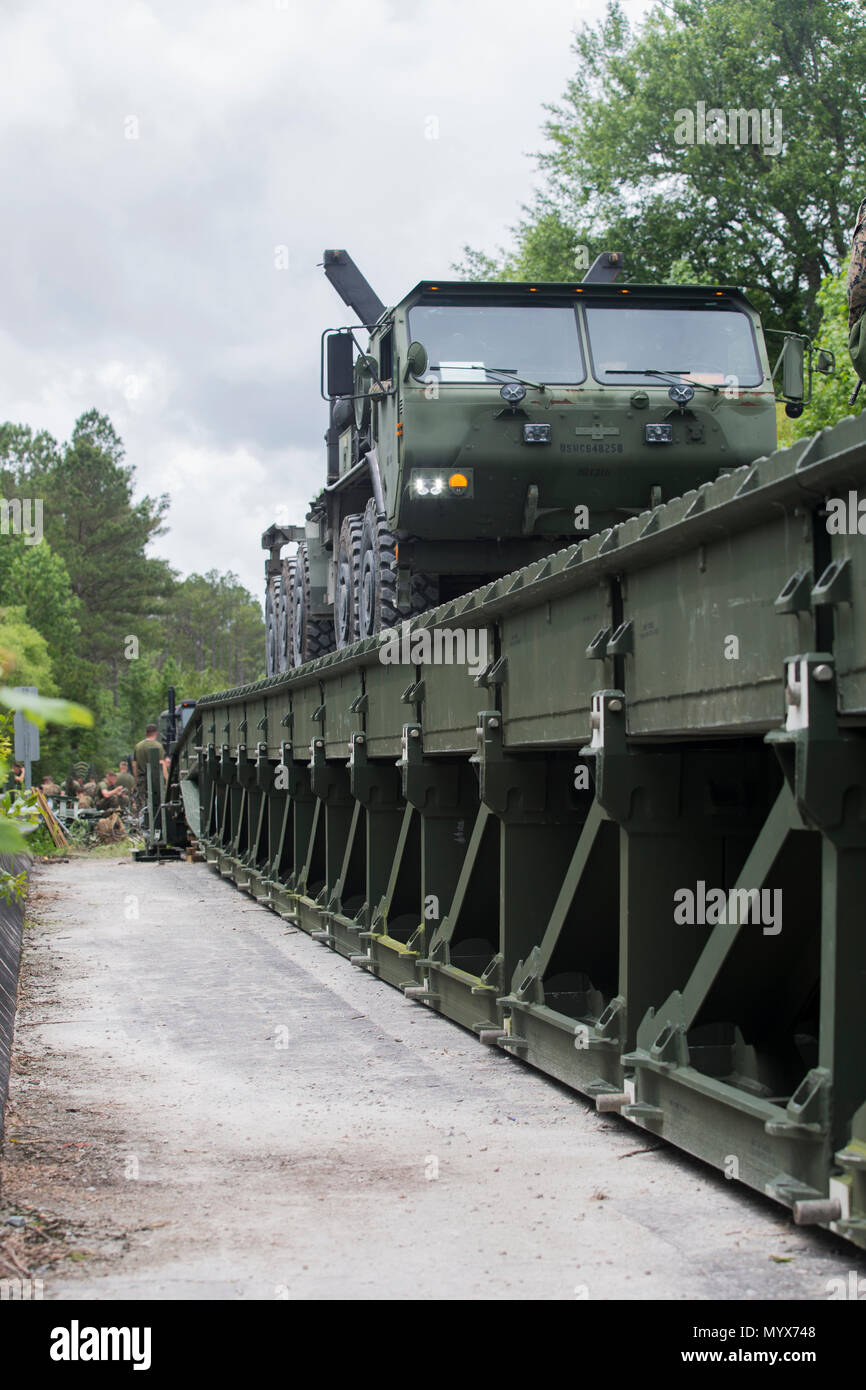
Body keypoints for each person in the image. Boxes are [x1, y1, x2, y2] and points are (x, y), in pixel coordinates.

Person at [133, 724, 167, 804]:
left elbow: (134, 764)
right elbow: (161, 763)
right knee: (157, 804)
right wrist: (166, 779)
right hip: (156, 781)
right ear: (156, 733)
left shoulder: (138, 746)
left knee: (142, 804)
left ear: (146, 733)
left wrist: (136, 779)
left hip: (141, 780)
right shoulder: (158, 746)